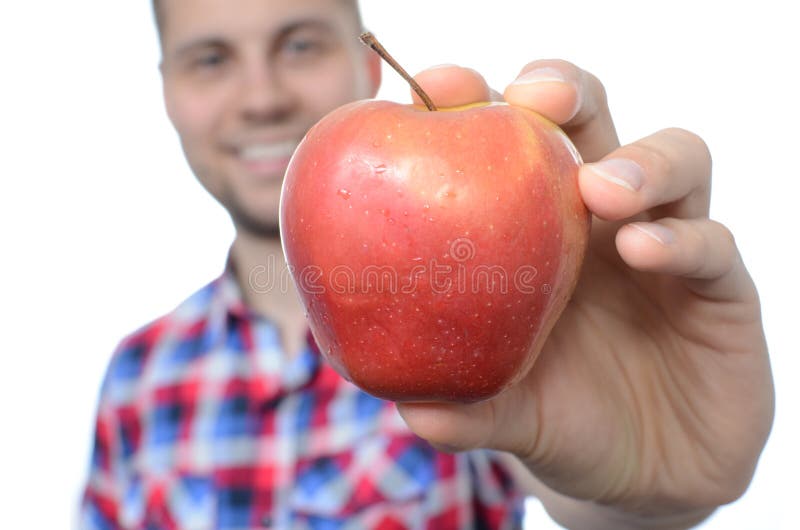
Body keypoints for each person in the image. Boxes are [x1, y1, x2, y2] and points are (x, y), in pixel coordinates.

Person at [79, 0, 775, 528]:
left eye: (300, 44)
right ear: (167, 89)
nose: (262, 97)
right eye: (210, 59)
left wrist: (654, 482)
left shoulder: (510, 359)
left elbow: (579, 489)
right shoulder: (137, 376)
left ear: (371, 66)